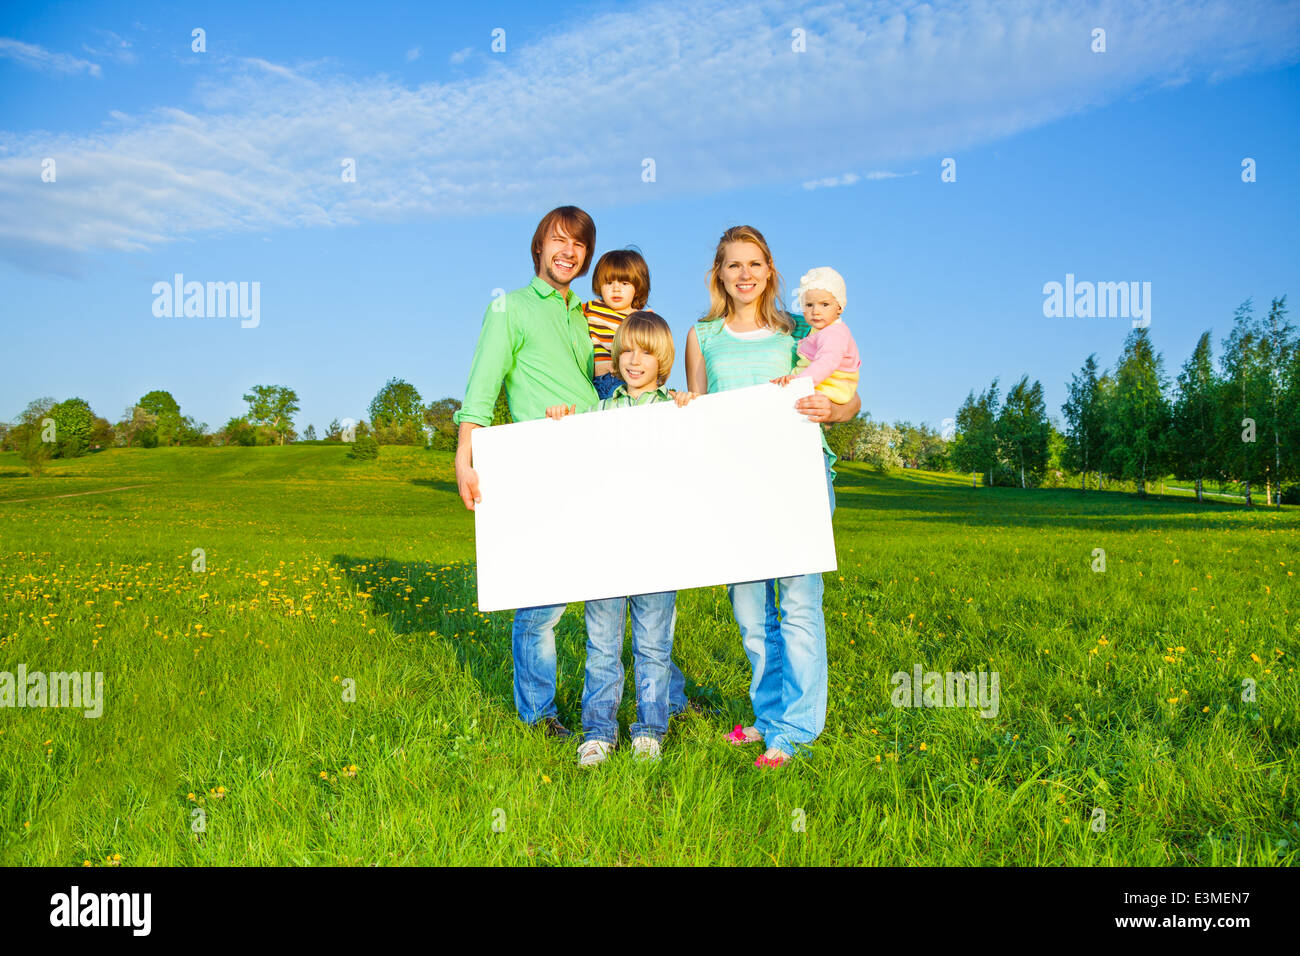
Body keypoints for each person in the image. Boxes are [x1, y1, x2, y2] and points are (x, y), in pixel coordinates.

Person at [454, 207, 687, 736]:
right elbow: (482, 387)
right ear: (539, 246)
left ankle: (669, 700)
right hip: (541, 462)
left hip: (598, 458)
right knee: (545, 602)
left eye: (580, 245)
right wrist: (463, 456)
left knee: (634, 576)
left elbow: (616, 377)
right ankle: (539, 716)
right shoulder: (509, 307)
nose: (569, 251)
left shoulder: (583, 316)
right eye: (559, 240)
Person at [683, 225, 860, 768]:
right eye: (733, 265)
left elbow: (849, 397)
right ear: (719, 273)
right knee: (749, 607)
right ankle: (768, 718)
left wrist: (834, 411)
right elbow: (697, 410)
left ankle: (799, 729)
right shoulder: (702, 336)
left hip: (798, 480)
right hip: (735, 486)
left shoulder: (799, 331)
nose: (745, 275)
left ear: (770, 271)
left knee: (799, 604)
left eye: (754, 264)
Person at [546, 311, 696, 765]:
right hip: (605, 547)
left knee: (653, 644)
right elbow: (574, 450)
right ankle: (599, 732)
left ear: (663, 360)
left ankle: (650, 729)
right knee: (602, 645)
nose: (634, 361)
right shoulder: (600, 410)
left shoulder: (674, 407)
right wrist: (560, 419)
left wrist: (690, 406)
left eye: (646, 353)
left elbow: (694, 454)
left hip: (657, 547)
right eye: (627, 350)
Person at [772, 267, 860, 403]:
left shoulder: (834, 334)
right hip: (817, 383)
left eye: (824, 304)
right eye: (809, 305)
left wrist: (797, 383)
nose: (815, 311)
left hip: (830, 387)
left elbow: (826, 362)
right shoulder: (819, 330)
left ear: (840, 307)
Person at [583, 249, 651, 400]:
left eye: (624, 283)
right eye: (609, 283)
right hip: (599, 380)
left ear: (637, 286)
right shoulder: (592, 307)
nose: (616, 289)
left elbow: (657, 352)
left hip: (629, 379)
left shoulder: (642, 319)